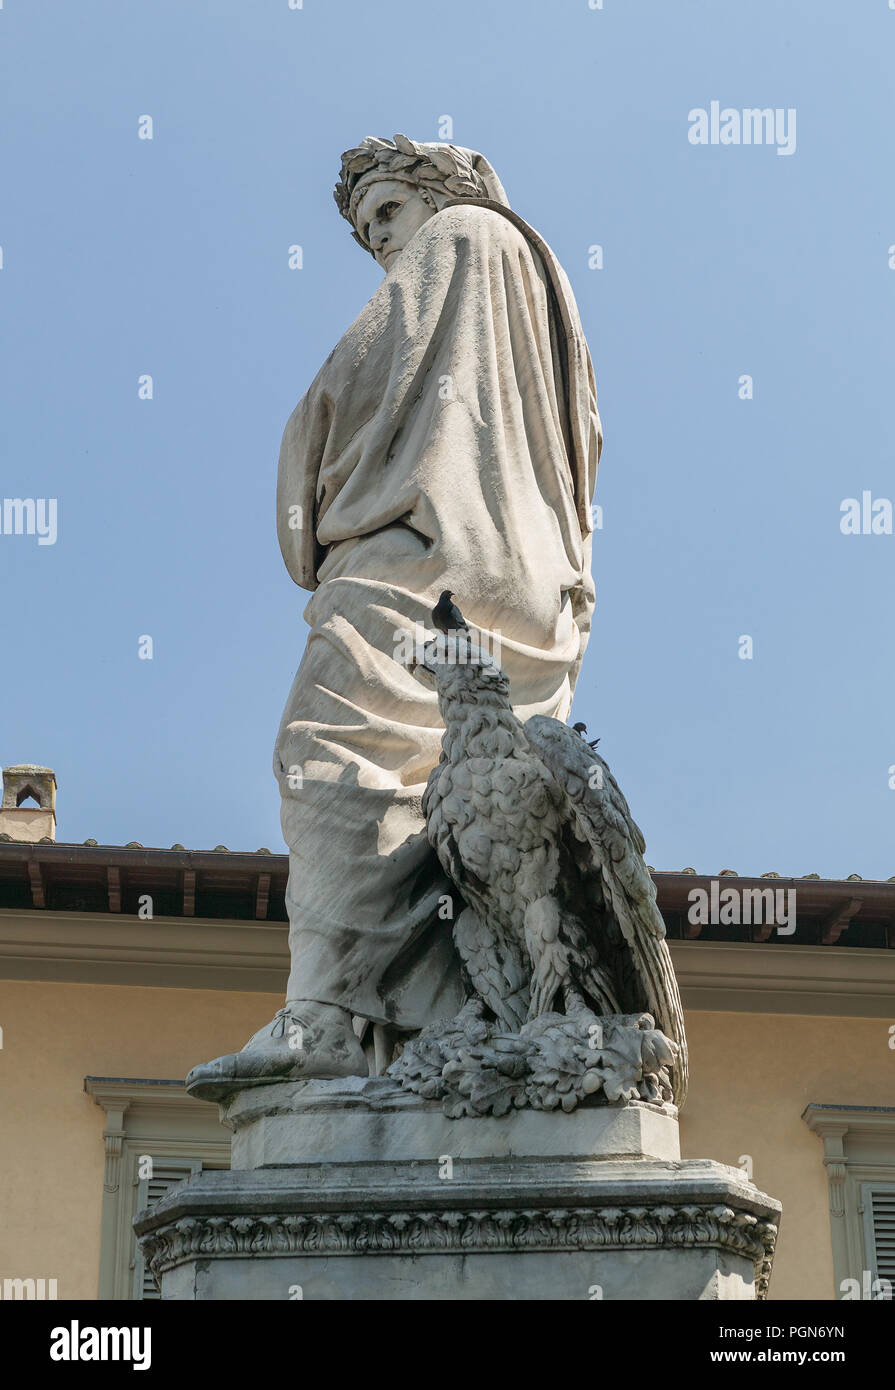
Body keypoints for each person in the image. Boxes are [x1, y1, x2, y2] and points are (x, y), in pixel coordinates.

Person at [187, 135, 602, 1095]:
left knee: (330, 750)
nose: (382, 244)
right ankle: (451, 1024)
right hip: (531, 583)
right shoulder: (549, 295)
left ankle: (332, 1016)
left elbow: (351, 388)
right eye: (368, 230)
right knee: (452, 804)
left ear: (437, 193)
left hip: (425, 553)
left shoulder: (461, 236)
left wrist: (304, 477)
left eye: (385, 215)